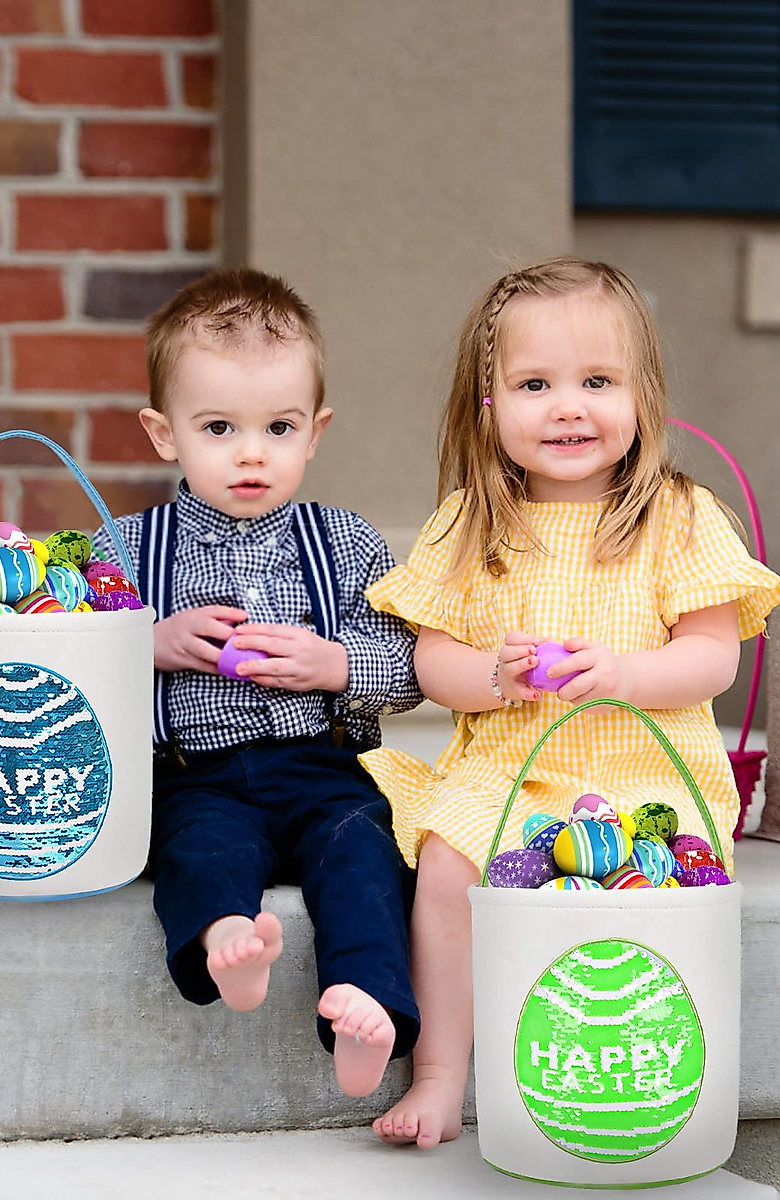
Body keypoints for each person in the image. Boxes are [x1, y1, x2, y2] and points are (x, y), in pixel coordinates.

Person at [357, 255, 780, 1148]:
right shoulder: (470, 523)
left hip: (645, 775)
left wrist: (625, 675)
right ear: (489, 406)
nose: (567, 407)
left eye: (597, 381)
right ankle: (440, 1072)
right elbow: (432, 662)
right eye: (534, 384)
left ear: (642, 396)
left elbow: (712, 658)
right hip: (513, 770)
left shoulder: (678, 515)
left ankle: (635, 1072)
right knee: (446, 869)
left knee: (646, 887)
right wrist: (492, 676)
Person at [89, 267, 423, 1097]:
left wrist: (335, 663)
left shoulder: (344, 542)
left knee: (365, 853)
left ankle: (364, 1003)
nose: (251, 452)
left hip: (323, 767)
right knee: (196, 849)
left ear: (315, 432)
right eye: (218, 428)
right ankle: (227, 942)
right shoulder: (124, 549)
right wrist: (145, 644)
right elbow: (69, 671)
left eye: (279, 427)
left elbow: (410, 668)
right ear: (164, 434)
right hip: (195, 774)